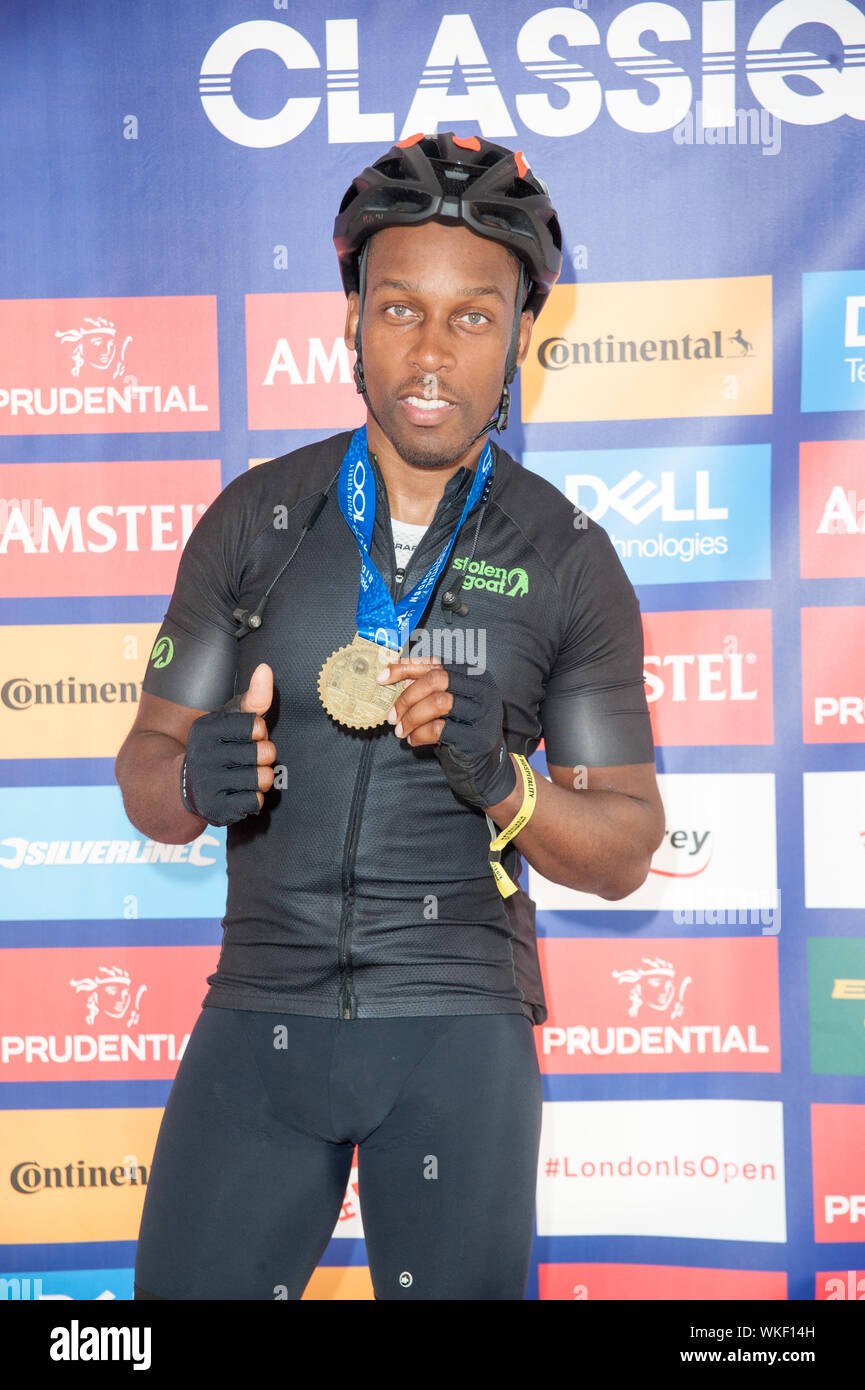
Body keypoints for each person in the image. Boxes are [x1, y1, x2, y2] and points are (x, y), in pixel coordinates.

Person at [115, 131, 664, 1301]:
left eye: (473, 317)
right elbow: (146, 774)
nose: (430, 352)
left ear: (522, 336)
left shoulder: (568, 557)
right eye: (398, 308)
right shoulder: (252, 518)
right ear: (351, 321)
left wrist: (505, 781)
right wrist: (190, 781)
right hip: (258, 1012)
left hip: (454, 1029)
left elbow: (624, 848)